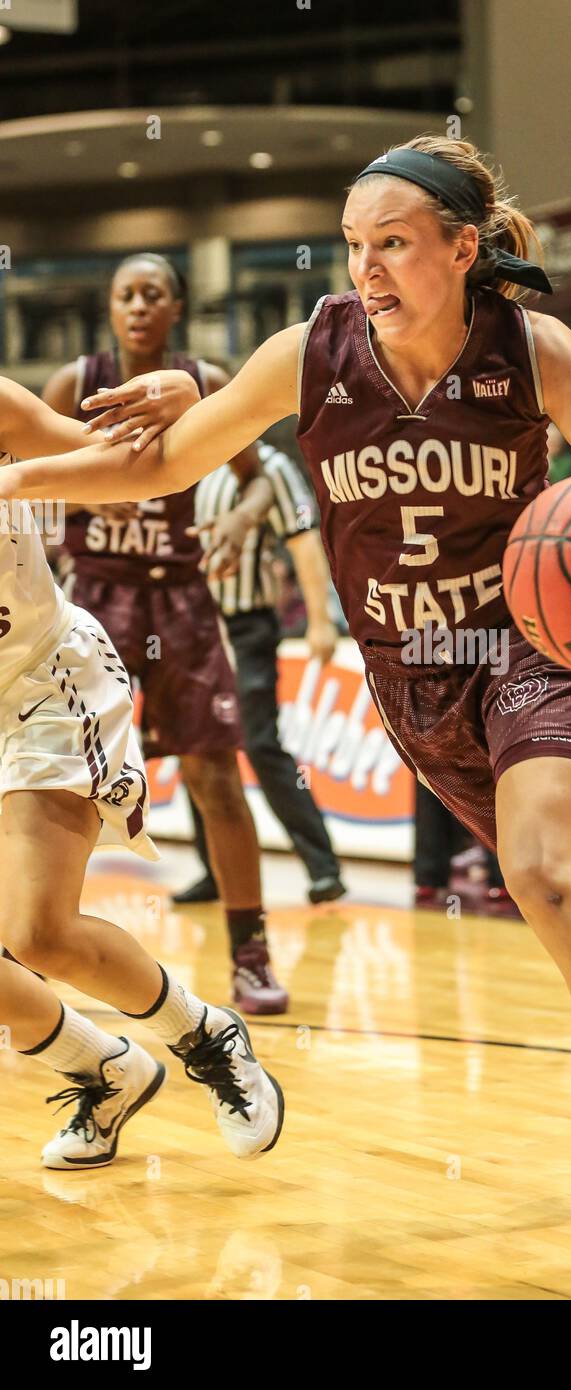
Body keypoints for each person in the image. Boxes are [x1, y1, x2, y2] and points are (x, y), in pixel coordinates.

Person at [9, 135, 571, 1295]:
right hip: (418, 691)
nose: (366, 268)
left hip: (536, 651)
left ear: (460, 247)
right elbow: (157, 467)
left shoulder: (535, 351)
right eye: (352, 246)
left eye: (392, 243)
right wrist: (13, 480)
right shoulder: (308, 356)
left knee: (544, 874)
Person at [0, 376, 283, 1169]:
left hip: (41, 684)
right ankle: (105, 1070)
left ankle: (206, 1035)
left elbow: (137, 467)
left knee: (36, 932)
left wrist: (186, 401)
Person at [42, 253, 288, 1014]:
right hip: (98, 603)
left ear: (176, 308)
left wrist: (241, 519)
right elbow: (29, 479)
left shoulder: (203, 381)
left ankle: (251, 955)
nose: (139, 305)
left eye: (153, 294)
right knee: (65, 786)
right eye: (126, 295)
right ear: (110, 309)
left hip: (181, 600)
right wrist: (85, 501)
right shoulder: (73, 383)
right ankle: (41, 945)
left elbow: (260, 476)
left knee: (216, 779)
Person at [175, 440, 346, 906]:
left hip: (249, 626)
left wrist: (319, 619)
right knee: (197, 744)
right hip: (198, 628)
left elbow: (303, 539)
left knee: (259, 742)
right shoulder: (197, 461)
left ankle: (322, 867)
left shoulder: (272, 467)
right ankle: (213, 871)